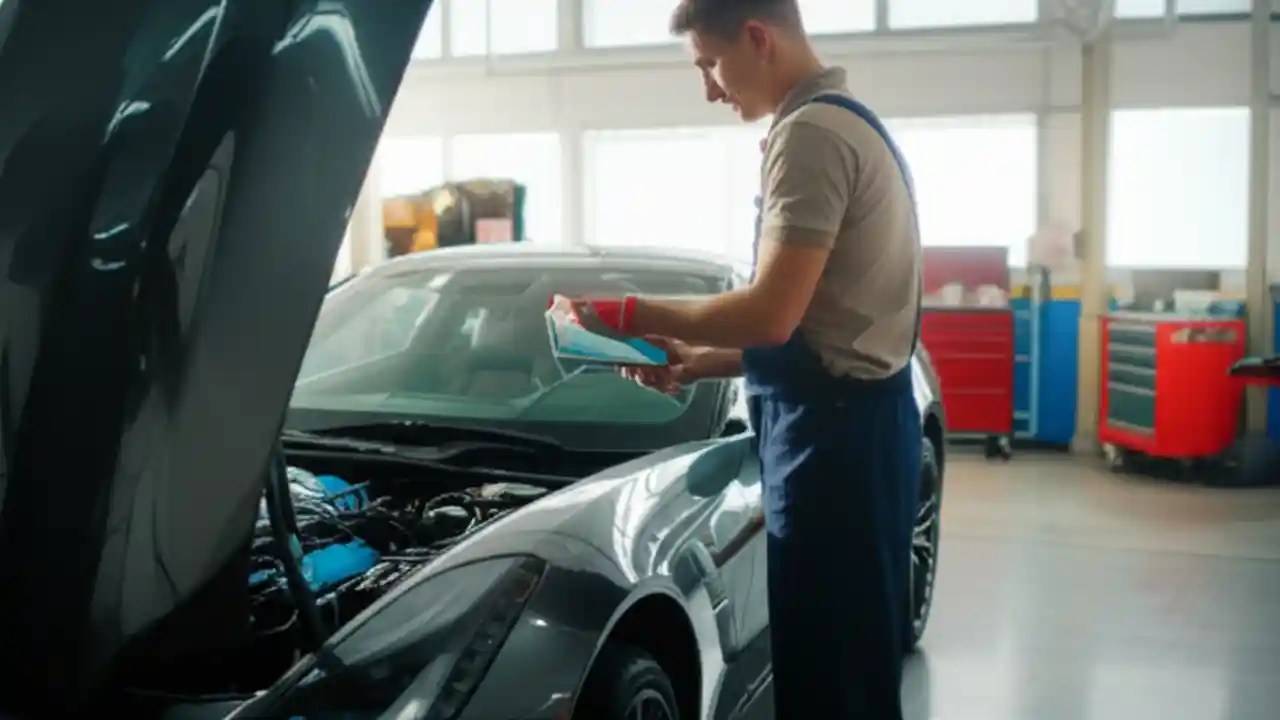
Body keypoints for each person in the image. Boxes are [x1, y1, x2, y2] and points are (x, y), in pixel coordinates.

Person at [562, 0, 923, 717]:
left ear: (757, 38)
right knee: (845, 664)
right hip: (850, 431)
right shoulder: (846, 119)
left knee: (831, 678)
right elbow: (818, 326)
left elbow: (771, 312)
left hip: (836, 448)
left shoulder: (813, 134)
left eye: (709, 64)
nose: (710, 88)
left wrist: (629, 311)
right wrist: (696, 360)